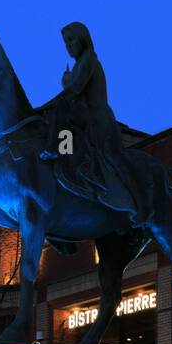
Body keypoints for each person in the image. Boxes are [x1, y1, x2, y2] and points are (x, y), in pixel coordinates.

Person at [38, 22, 139, 221]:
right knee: (57, 116)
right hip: (83, 118)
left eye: (71, 40)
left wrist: (43, 106)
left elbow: (73, 93)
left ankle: (57, 151)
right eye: (65, 42)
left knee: (60, 110)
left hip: (97, 121)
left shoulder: (90, 62)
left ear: (82, 39)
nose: (68, 45)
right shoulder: (78, 66)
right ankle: (63, 156)